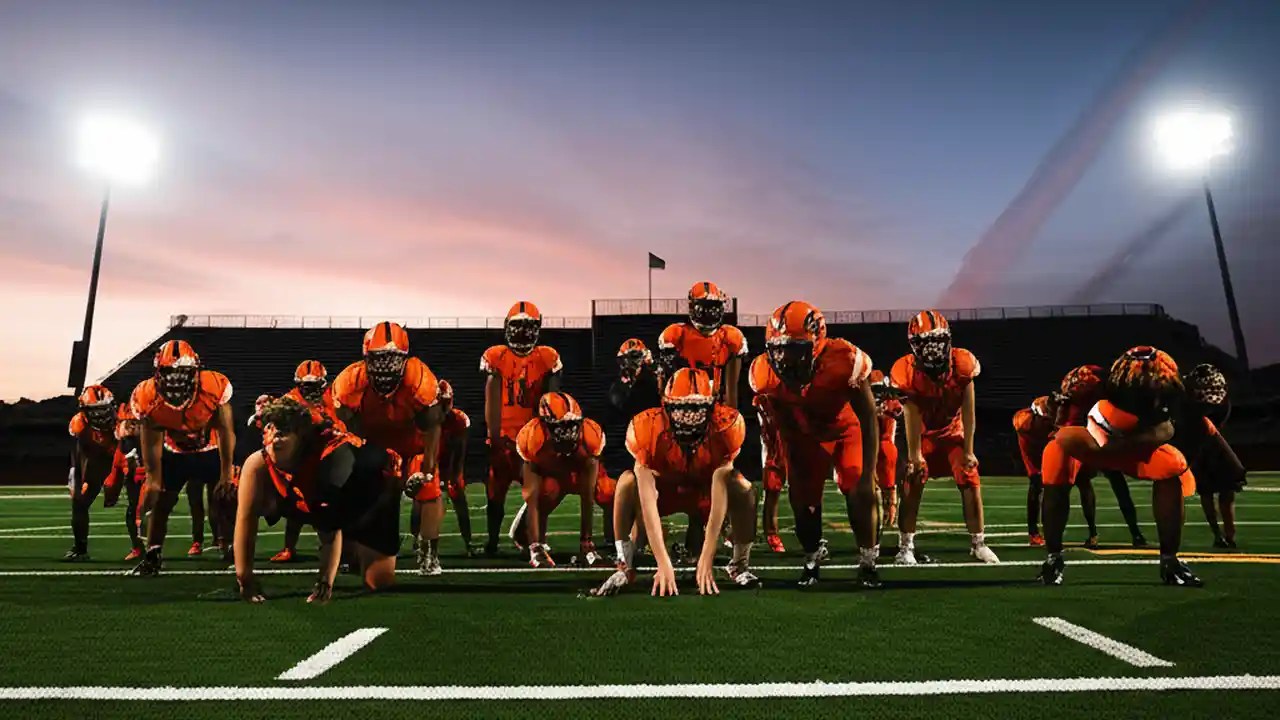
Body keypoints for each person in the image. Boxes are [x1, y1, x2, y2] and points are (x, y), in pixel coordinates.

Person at [1037, 346, 1201, 587]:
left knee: (1172, 465)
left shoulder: (1168, 395)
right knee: (1056, 455)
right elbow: (1062, 430)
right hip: (1088, 443)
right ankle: (1053, 559)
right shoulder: (1091, 383)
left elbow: (1167, 430)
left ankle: (1170, 561)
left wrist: (1130, 442)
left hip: (1130, 448)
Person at [749, 301, 881, 587]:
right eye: (779, 350)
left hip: (844, 428)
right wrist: (790, 460)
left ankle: (868, 562)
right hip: (802, 434)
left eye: (794, 350)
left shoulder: (844, 359)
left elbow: (868, 414)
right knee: (803, 501)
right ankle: (811, 560)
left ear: (817, 344)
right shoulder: (764, 373)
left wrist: (870, 469)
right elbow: (781, 424)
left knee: (860, 488)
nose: (785, 359)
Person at [593, 369, 756, 597]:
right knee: (626, 482)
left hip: (704, 492)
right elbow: (647, 494)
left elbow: (721, 482)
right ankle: (624, 564)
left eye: (697, 410)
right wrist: (663, 561)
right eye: (681, 409)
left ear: (711, 408)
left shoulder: (725, 426)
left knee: (742, 486)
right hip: (664, 493)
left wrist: (708, 555)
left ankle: (739, 564)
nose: (689, 417)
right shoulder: (647, 428)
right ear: (666, 406)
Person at [233, 397, 403, 603]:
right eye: (270, 426)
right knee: (233, 496)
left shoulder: (331, 460)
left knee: (379, 581)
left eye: (284, 428)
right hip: (316, 495)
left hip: (371, 494)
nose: (275, 434)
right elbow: (245, 519)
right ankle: (351, 551)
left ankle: (355, 548)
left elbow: (329, 526)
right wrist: (245, 578)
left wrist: (325, 580)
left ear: (302, 436)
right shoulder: (258, 464)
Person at [333, 322, 445, 575]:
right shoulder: (351, 382)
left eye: (392, 359)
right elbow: (351, 430)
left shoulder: (418, 379)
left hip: (412, 445)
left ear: (405, 359)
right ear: (366, 359)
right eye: (378, 359)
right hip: (375, 445)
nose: (385, 367)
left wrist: (427, 468)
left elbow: (433, 426)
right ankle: (350, 551)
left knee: (428, 488)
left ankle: (428, 552)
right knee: (353, 490)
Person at [890, 311, 998, 565]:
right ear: (914, 346)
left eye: (937, 342)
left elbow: (969, 409)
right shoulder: (907, 371)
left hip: (952, 433)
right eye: (926, 344)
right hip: (924, 434)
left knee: (970, 475)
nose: (933, 350)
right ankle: (906, 546)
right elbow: (912, 413)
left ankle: (978, 543)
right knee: (912, 477)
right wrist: (915, 455)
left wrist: (969, 449)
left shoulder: (962, 364)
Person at [129, 340, 237, 575]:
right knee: (160, 501)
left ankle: (231, 547)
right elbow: (151, 436)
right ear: (158, 373)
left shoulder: (212, 385)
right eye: (169, 372)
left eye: (182, 373)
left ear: (196, 371)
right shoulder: (147, 396)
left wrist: (226, 472)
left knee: (228, 496)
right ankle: (153, 553)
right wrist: (153, 478)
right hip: (174, 453)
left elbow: (226, 431)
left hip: (208, 450)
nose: (176, 380)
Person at [481, 301, 562, 556]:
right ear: (506, 327)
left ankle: (533, 538)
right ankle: (493, 542)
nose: (522, 332)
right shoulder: (497, 356)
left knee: (543, 491)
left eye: (528, 326)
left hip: (533, 440)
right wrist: (493, 438)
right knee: (495, 495)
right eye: (517, 325)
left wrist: (546, 437)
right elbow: (491, 400)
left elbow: (553, 400)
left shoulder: (547, 357)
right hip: (504, 439)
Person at [514, 392, 613, 567]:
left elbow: (587, 495)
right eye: (561, 427)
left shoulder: (590, 435)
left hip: (577, 473)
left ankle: (614, 542)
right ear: (544, 425)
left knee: (609, 492)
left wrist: (586, 542)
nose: (568, 433)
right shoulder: (533, 437)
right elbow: (532, 494)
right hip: (553, 477)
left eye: (572, 426)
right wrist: (535, 546)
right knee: (541, 495)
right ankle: (534, 542)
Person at [1055, 365, 1146, 548]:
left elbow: (1059, 423)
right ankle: (1134, 533)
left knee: (1076, 487)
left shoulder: (1078, 397)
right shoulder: (1096, 396)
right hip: (1092, 439)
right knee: (1114, 487)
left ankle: (1093, 533)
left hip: (1084, 441)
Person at [271, 360, 343, 563]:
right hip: (300, 458)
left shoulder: (334, 396)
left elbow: (342, 424)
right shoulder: (290, 400)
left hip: (325, 457)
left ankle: (332, 547)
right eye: (306, 386)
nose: (310, 391)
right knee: (295, 506)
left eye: (314, 386)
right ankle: (289, 548)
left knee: (324, 507)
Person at [1177, 364, 1246, 548]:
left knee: (1228, 487)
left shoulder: (1222, 405)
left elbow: (1217, 424)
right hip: (1197, 443)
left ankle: (1229, 533)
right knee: (1206, 490)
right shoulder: (1186, 403)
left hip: (1213, 441)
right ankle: (1218, 534)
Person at [657, 281, 748, 407]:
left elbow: (731, 389)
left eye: (714, 307)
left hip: (715, 403)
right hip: (683, 405)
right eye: (704, 308)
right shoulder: (677, 334)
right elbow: (665, 384)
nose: (709, 312)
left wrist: (731, 414)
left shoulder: (730, 336)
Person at [63, 385, 120, 561]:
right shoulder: (79, 423)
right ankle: (80, 548)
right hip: (98, 462)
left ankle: (147, 549)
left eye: (103, 409)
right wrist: (76, 474)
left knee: (140, 504)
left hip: (123, 460)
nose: (100, 415)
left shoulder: (124, 418)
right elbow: (80, 452)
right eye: (95, 411)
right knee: (79, 502)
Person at [103, 403, 148, 560]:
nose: (128, 428)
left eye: (133, 424)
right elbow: (117, 468)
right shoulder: (124, 445)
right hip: (134, 480)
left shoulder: (149, 442)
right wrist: (111, 487)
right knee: (132, 513)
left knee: (146, 514)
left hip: (150, 480)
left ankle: (152, 550)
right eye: (126, 424)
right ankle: (138, 547)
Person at [1012, 394, 1059, 547]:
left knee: (1057, 487)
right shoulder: (1025, 422)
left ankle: (1051, 530)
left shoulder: (1055, 414)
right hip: (1032, 450)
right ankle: (1034, 532)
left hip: (1050, 445)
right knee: (1036, 484)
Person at [869, 370, 904, 529]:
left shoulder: (891, 402)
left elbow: (897, 410)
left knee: (888, 484)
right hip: (868, 445)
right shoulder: (863, 401)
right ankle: (874, 513)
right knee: (870, 484)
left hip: (885, 445)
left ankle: (890, 510)